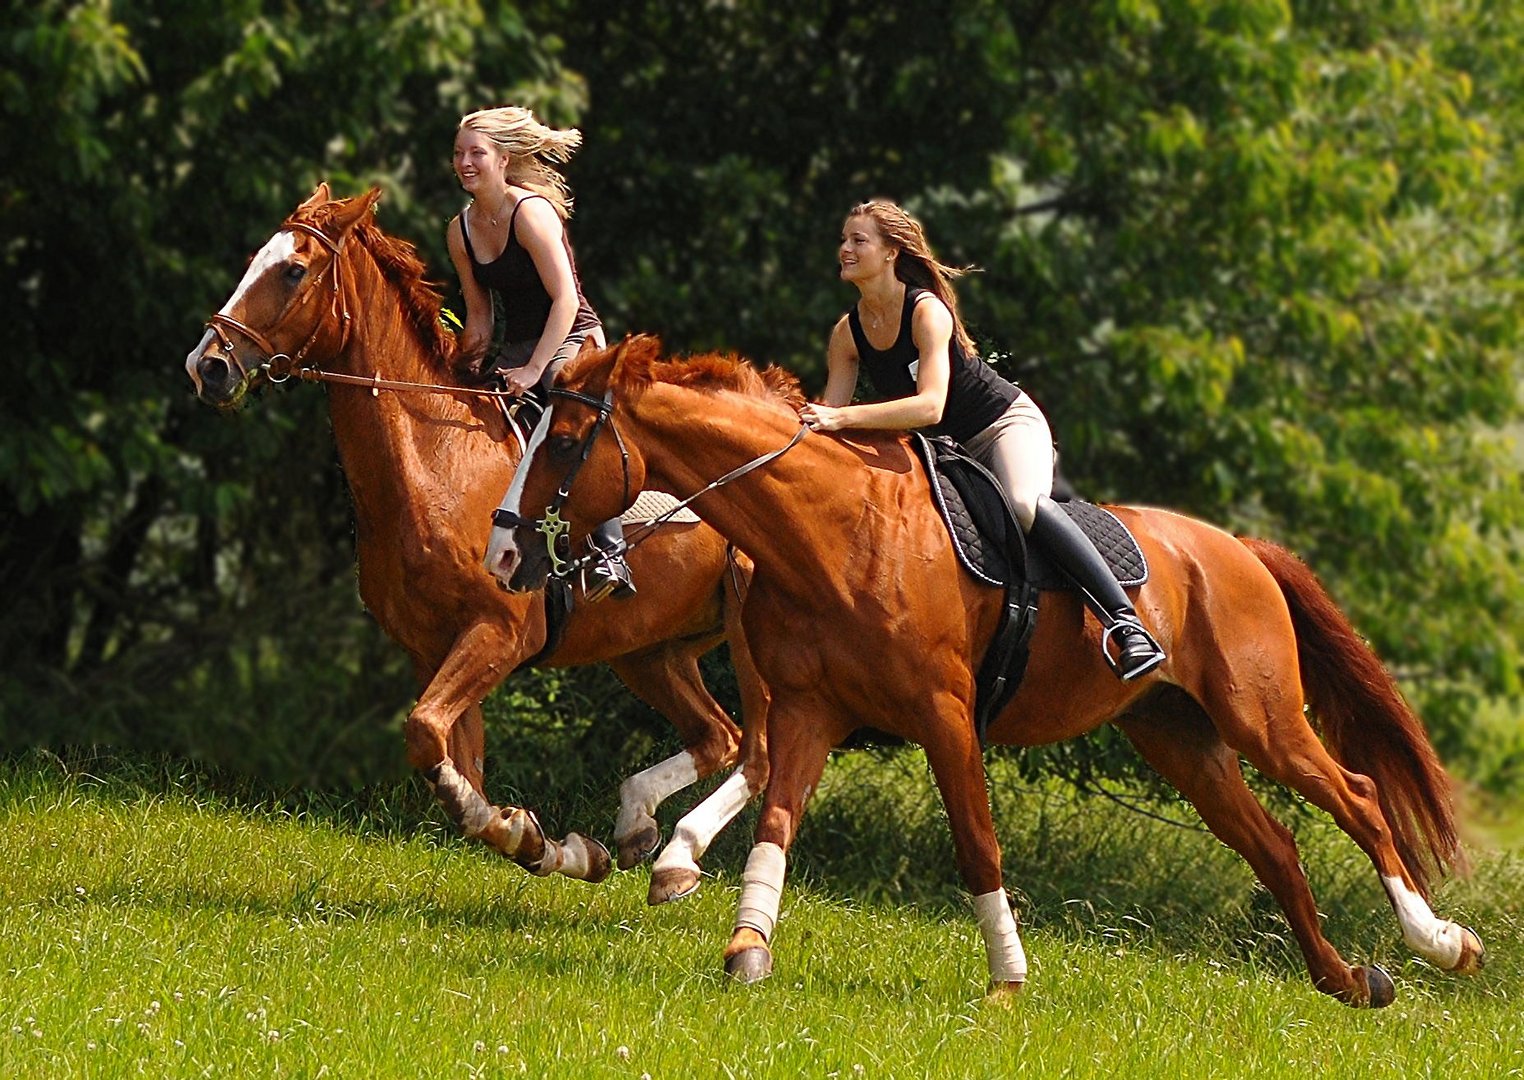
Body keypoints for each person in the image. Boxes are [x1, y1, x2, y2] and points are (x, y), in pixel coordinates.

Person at [799, 200, 1165, 680]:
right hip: (946, 451)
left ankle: (1127, 625)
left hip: (1003, 425)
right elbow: (832, 420)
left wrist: (841, 419)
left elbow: (928, 406)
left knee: (1021, 503)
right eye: (843, 240)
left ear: (891, 253)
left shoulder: (926, 311)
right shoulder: (847, 333)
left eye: (858, 240)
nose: (845, 249)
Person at [446, 105, 632, 600]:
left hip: (571, 335)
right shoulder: (459, 230)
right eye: (459, 154)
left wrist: (531, 369)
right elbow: (481, 319)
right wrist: (461, 369)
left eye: (476, 153)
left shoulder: (529, 212)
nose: (465, 162)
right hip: (518, 347)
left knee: (559, 393)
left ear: (502, 158)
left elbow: (566, 298)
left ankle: (610, 554)